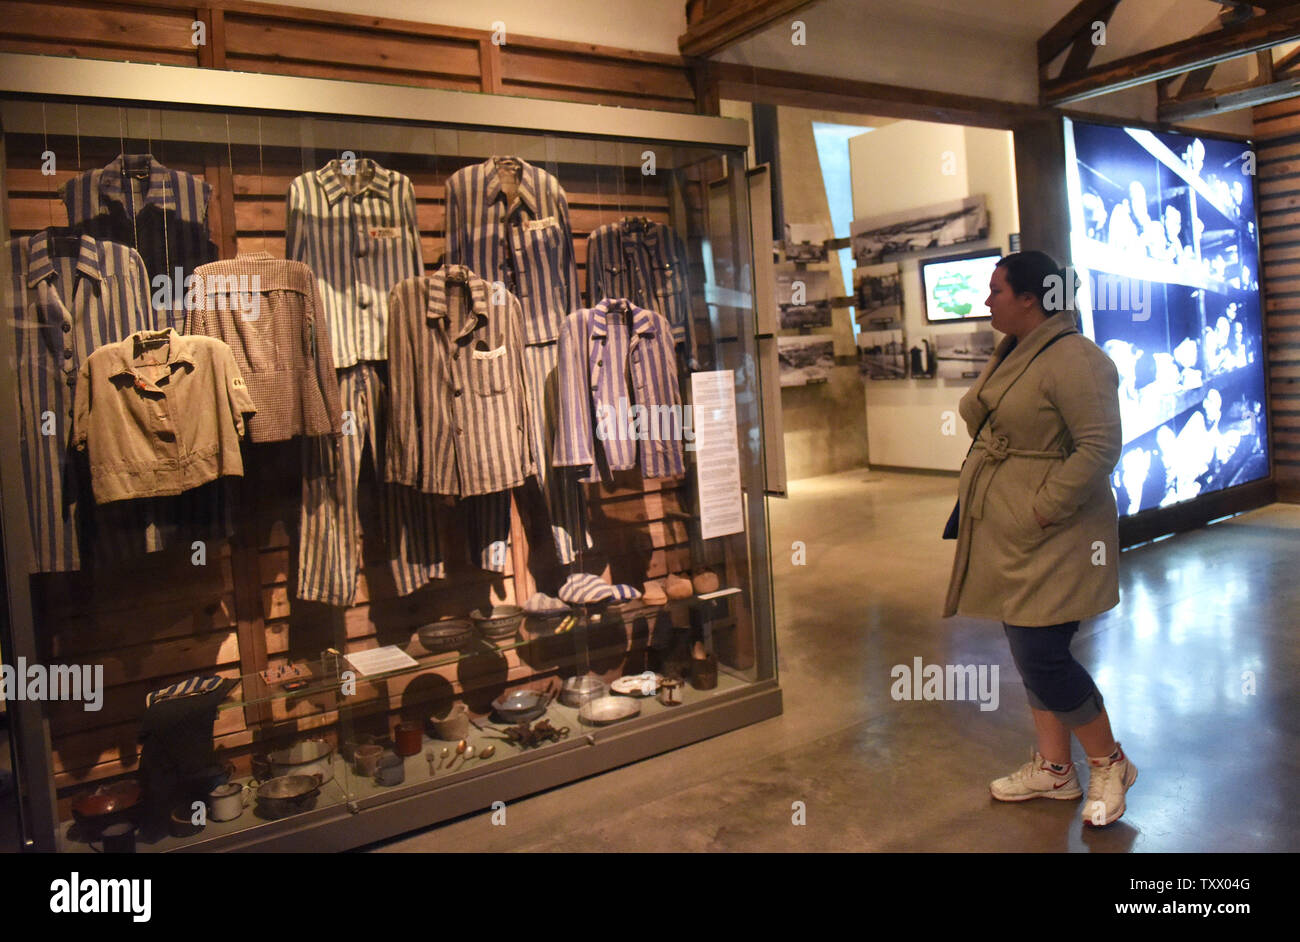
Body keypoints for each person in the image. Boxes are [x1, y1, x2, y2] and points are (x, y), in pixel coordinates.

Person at [943, 251, 1137, 827]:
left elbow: (1099, 447)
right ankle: (1055, 769)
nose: (986, 300)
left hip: (1057, 532)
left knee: (1043, 653)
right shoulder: (1015, 350)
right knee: (1029, 651)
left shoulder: (1078, 360)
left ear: (1030, 298)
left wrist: (1042, 509)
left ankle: (1109, 761)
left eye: (996, 289)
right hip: (1012, 530)